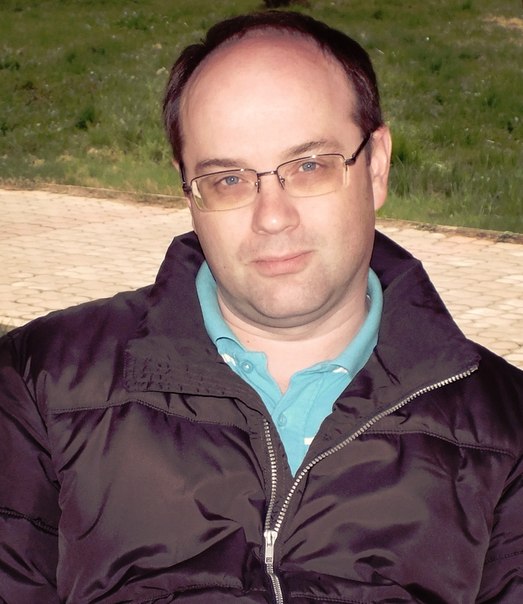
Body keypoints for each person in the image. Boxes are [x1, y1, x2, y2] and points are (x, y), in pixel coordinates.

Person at [0, 10, 522, 604]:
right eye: (227, 179)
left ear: (376, 166)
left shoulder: (506, 432)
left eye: (309, 166)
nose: (272, 217)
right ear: (187, 190)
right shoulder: (36, 384)